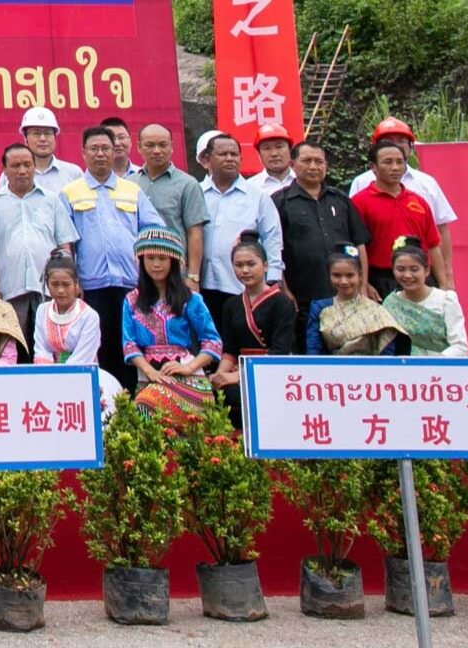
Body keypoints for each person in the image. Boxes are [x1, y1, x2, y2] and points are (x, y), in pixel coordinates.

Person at [60, 125, 161, 382]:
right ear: (83, 153)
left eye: (105, 148)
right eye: (94, 148)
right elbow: (65, 244)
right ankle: (103, 406)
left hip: (130, 284)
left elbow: (154, 230)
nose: (101, 154)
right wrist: (74, 282)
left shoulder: (131, 190)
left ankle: (128, 407)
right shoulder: (70, 193)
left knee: (129, 346)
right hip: (90, 286)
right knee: (97, 346)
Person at [0, 141, 76, 356]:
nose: (22, 171)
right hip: (9, 288)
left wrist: (69, 280)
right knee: (13, 349)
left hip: (48, 288)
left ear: (35, 167)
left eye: (27, 164)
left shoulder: (51, 200)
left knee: (51, 347)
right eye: (15, 166)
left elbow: (64, 244)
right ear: (4, 170)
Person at [120, 227, 224, 417]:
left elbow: (213, 342)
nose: (156, 264)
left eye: (162, 258)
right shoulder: (131, 301)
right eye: (150, 258)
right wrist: (150, 371)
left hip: (187, 379)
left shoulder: (190, 299)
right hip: (148, 378)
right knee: (143, 408)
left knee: (145, 405)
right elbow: (129, 344)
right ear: (142, 261)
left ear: (173, 261)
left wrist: (188, 368)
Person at [194, 129, 284, 341]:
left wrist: (273, 280)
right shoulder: (195, 192)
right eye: (223, 154)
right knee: (208, 342)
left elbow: (272, 239)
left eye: (234, 154)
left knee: (240, 343)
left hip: (242, 286)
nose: (229, 159)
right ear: (207, 159)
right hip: (203, 284)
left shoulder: (257, 197)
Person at [346, 118, 460, 278]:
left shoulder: (426, 184)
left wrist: (447, 276)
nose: (395, 145)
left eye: (401, 141)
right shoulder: (361, 185)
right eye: (388, 141)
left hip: (420, 273)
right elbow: (355, 238)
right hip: (380, 275)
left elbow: (439, 232)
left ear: (410, 147)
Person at [215, 232, 300, 428]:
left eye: (251, 264)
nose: (245, 270)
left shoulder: (282, 303)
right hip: (238, 370)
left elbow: (279, 351)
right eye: (238, 265)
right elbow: (230, 350)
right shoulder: (231, 305)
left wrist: (235, 377)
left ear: (266, 265)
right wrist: (219, 377)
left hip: (272, 370)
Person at [273, 140, 370, 310]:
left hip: (344, 292)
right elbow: (273, 248)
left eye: (319, 162)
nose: (313, 167)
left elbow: (359, 243)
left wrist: (363, 285)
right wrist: (283, 288)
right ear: (292, 165)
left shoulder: (340, 200)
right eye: (307, 161)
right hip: (302, 295)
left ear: (326, 165)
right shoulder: (280, 202)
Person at [352, 137, 447, 296]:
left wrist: (444, 285)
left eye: (399, 162)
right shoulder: (359, 202)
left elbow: (433, 245)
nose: (395, 167)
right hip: (382, 281)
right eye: (387, 162)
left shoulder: (418, 201)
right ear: (373, 167)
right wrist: (364, 283)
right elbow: (356, 248)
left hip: (420, 279)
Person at [31, 253, 122, 407]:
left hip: (82, 377)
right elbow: (41, 348)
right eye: (55, 284)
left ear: (76, 284)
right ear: (47, 284)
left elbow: (83, 357)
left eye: (66, 284)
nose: (60, 290)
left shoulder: (89, 316)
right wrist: (48, 378)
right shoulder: (42, 310)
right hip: (49, 378)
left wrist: (62, 380)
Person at [134, 126, 207, 278]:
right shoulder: (129, 184)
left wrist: (193, 275)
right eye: (149, 145)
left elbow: (195, 232)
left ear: (172, 147)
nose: (156, 150)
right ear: (139, 147)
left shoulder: (188, 184)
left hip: (176, 272)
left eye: (162, 145)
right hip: (137, 273)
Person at [305, 246, 406, 355]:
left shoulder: (377, 312)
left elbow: (387, 354)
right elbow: (313, 350)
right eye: (337, 275)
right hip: (331, 368)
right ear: (329, 276)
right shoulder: (320, 308)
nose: (343, 281)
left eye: (349, 275)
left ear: (360, 275)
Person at [383, 239, 468, 357]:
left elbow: (460, 346)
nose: (407, 275)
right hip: (401, 370)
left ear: (427, 270)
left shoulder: (446, 300)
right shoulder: (391, 303)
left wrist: (430, 365)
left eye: (414, 269)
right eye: (401, 269)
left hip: (440, 370)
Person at [20, 104, 86, 190]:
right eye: (36, 133)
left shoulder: (74, 173)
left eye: (47, 133)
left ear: (55, 137)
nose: (43, 139)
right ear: (25, 139)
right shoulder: (13, 174)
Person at [254, 124, 298, 196]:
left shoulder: (304, 181)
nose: (274, 154)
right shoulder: (250, 187)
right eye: (266, 148)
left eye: (279, 147)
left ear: (290, 150)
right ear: (259, 154)